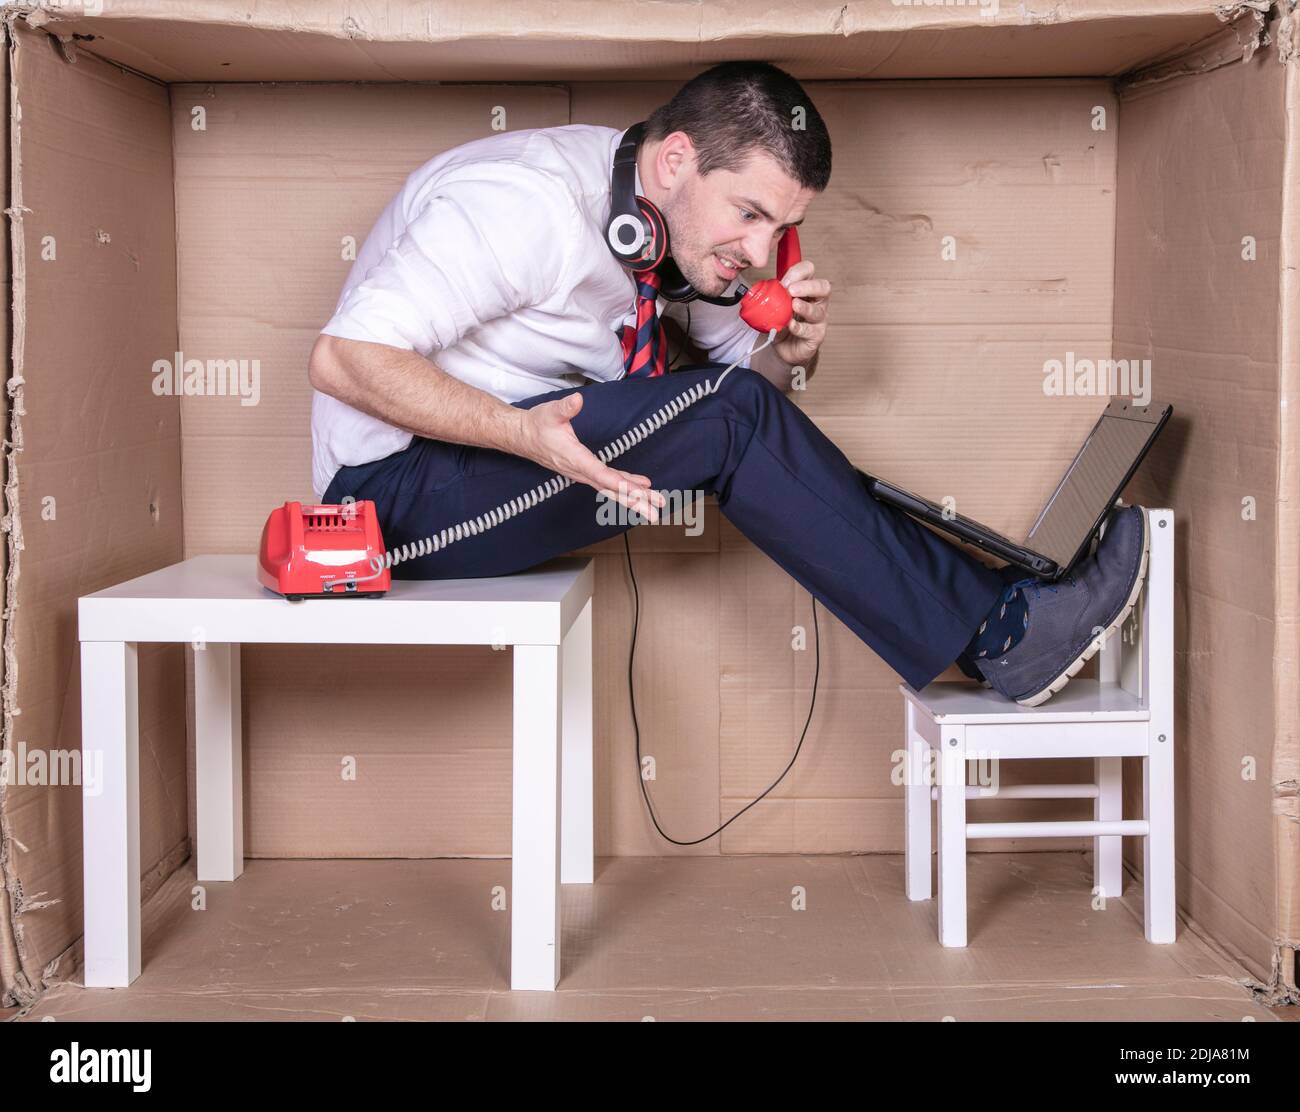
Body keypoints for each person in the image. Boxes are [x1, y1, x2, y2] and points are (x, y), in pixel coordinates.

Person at [307, 61, 1148, 707]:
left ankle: (1002, 606)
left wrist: (786, 352)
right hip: (385, 502)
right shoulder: (523, 204)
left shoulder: (672, 241)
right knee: (728, 413)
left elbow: (743, 416)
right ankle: (1005, 636)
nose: (759, 250)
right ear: (675, 161)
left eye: (783, 227)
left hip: (512, 456)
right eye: (750, 213)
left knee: (733, 408)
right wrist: (520, 433)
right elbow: (344, 360)